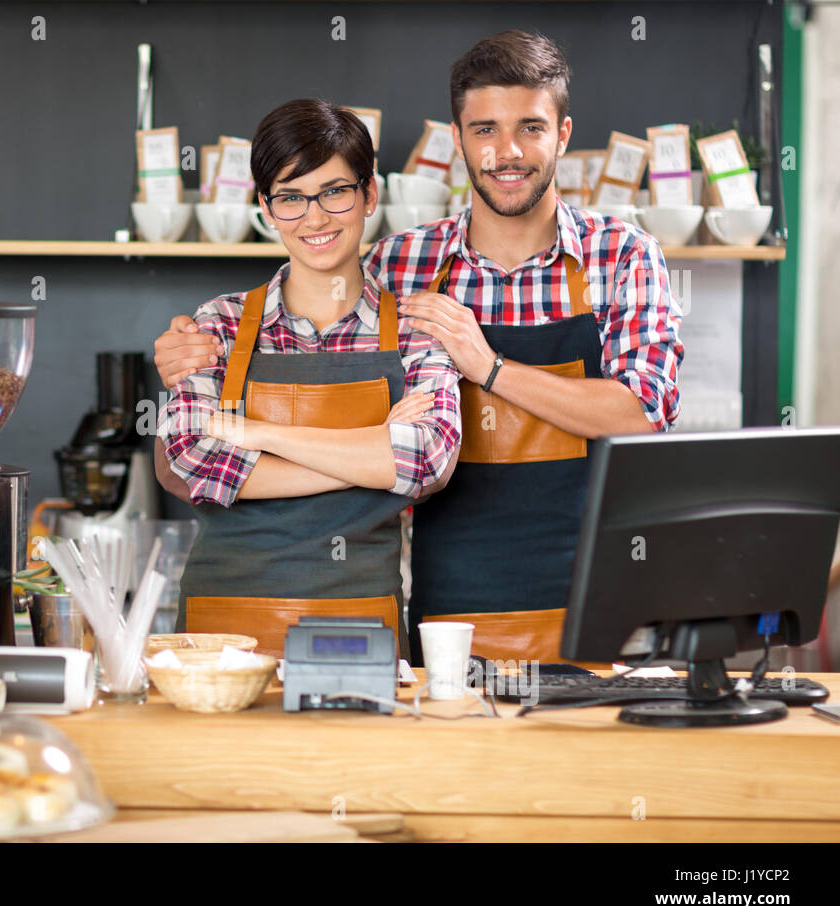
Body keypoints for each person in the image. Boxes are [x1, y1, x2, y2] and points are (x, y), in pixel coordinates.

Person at [154, 31, 683, 665]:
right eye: (484, 129)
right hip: (447, 599)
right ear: (458, 140)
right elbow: (188, 458)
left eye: (531, 128)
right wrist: (185, 355)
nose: (507, 151)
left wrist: (484, 364)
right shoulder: (398, 264)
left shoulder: (620, 256)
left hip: (596, 588)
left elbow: (643, 414)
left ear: (563, 134)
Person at [155, 98, 462, 656]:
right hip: (220, 628)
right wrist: (369, 457)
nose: (314, 218)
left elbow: (426, 462)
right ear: (267, 209)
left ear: (369, 196)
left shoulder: (417, 332)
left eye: (334, 192)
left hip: (359, 624)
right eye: (291, 198)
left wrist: (255, 434)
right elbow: (189, 458)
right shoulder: (217, 325)